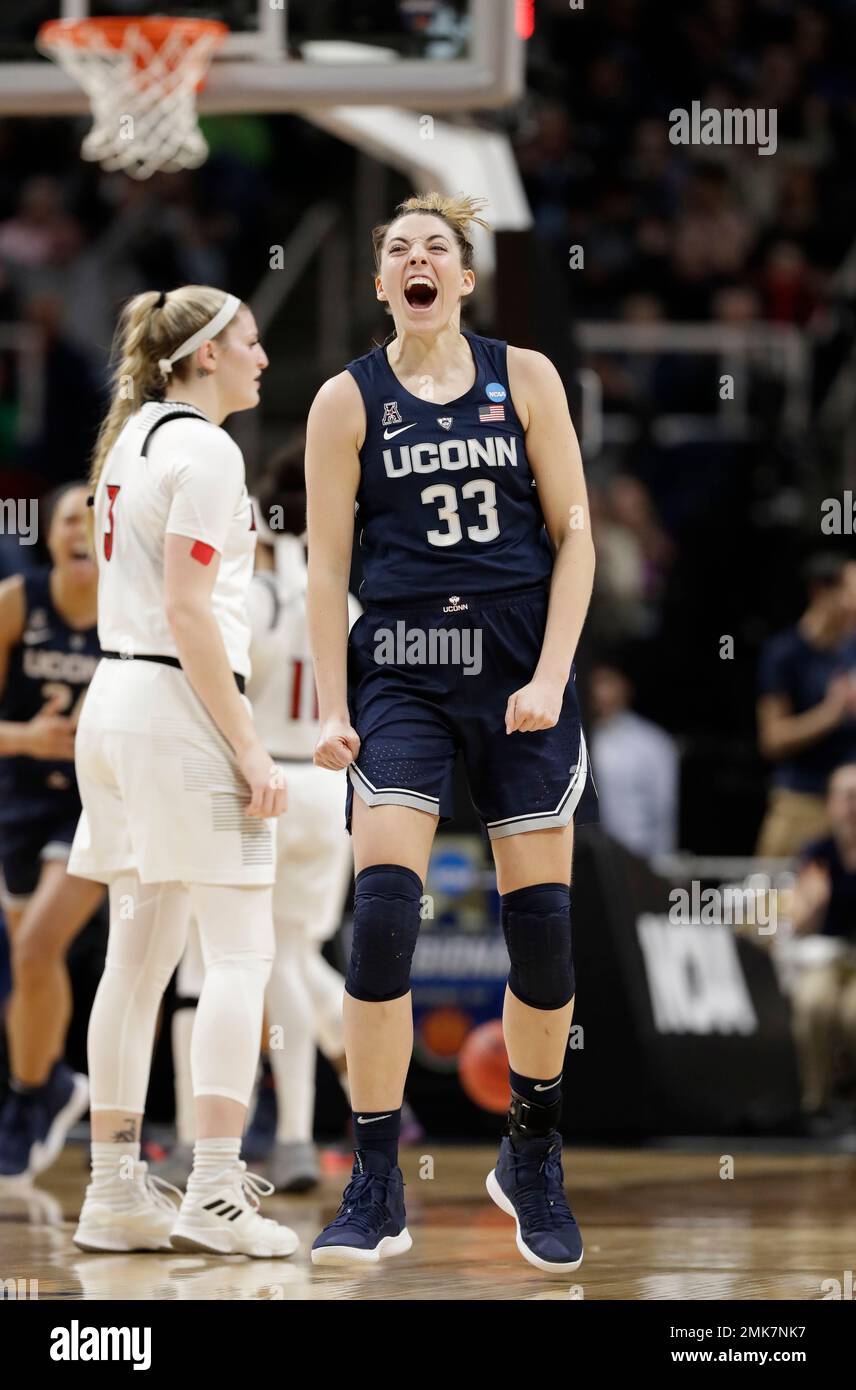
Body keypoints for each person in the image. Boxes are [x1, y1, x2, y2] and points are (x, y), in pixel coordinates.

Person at [306, 191, 596, 1272]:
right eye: (396, 249)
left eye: (436, 248)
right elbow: (326, 567)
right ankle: (374, 1179)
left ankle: (529, 1152)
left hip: (522, 656)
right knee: (382, 918)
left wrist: (554, 673)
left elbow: (575, 536)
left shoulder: (527, 377)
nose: (416, 259)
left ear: (462, 280)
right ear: (380, 282)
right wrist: (330, 704)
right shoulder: (346, 401)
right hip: (404, 665)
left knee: (546, 940)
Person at [66, 284, 296, 1258]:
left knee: (136, 959)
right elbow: (193, 609)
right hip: (176, 707)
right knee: (240, 953)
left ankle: (114, 1188)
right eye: (249, 342)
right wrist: (250, 742)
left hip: (114, 706)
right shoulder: (207, 448)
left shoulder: (133, 440)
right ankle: (212, 1188)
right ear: (204, 355)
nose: (262, 358)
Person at [158, 455, 359, 1194]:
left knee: (211, 967)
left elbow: (232, 682)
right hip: (330, 786)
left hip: (262, 774)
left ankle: (195, 1138)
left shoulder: (259, 596)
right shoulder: (345, 596)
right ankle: (301, 1137)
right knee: (291, 960)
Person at [0, 482, 102, 1179]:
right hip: (19, 797)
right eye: (69, 517)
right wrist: (29, 740)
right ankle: (50, 1086)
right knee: (28, 968)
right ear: (50, 535)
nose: (80, 529)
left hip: (96, 802)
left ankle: (27, 1095)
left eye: (95, 518)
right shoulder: (15, 602)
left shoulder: (141, 610)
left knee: (38, 946)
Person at [756, 554, 856, 857]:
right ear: (822, 592)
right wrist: (832, 712)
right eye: (852, 591)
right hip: (801, 801)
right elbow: (773, 739)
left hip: (852, 802)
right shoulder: (784, 654)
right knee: (770, 901)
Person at [788, 762, 856, 1121]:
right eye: (846, 798)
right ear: (830, 804)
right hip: (825, 958)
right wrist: (812, 905)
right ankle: (817, 1103)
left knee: (852, 1013)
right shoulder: (817, 852)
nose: (852, 807)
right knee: (813, 1002)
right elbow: (794, 927)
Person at [589, 659, 679, 858]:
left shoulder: (652, 742)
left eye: (607, 682)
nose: (599, 692)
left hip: (637, 857)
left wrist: (661, 865)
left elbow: (663, 810)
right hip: (589, 860)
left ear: (625, 686)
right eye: (595, 683)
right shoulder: (577, 738)